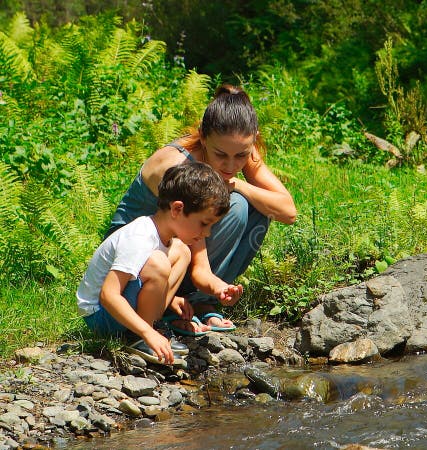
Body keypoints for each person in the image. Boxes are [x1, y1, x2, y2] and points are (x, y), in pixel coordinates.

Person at [106, 84, 296, 333]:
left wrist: (237, 184)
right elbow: (197, 261)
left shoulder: (237, 151)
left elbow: (288, 212)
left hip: (181, 244)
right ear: (203, 137)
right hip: (139, 263)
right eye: (221, 155)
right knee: (235, 207)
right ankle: (167, 307)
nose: (230, 164)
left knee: (257, 207)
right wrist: (211, 281)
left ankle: (199, 303)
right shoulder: (179, 168)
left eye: (241, 156)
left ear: (253, 139)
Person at [77, 162, 231, 365]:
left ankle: (148, 327)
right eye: (204, 223)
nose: (207, 233)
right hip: (100, 316)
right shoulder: (139, 236)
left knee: (182, 252)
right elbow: (108, 295)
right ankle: (139, 337)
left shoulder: (163, 235)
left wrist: (168, 297)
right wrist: (147, 331)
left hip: (118, 306)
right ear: (177, 209)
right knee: (159, 263)